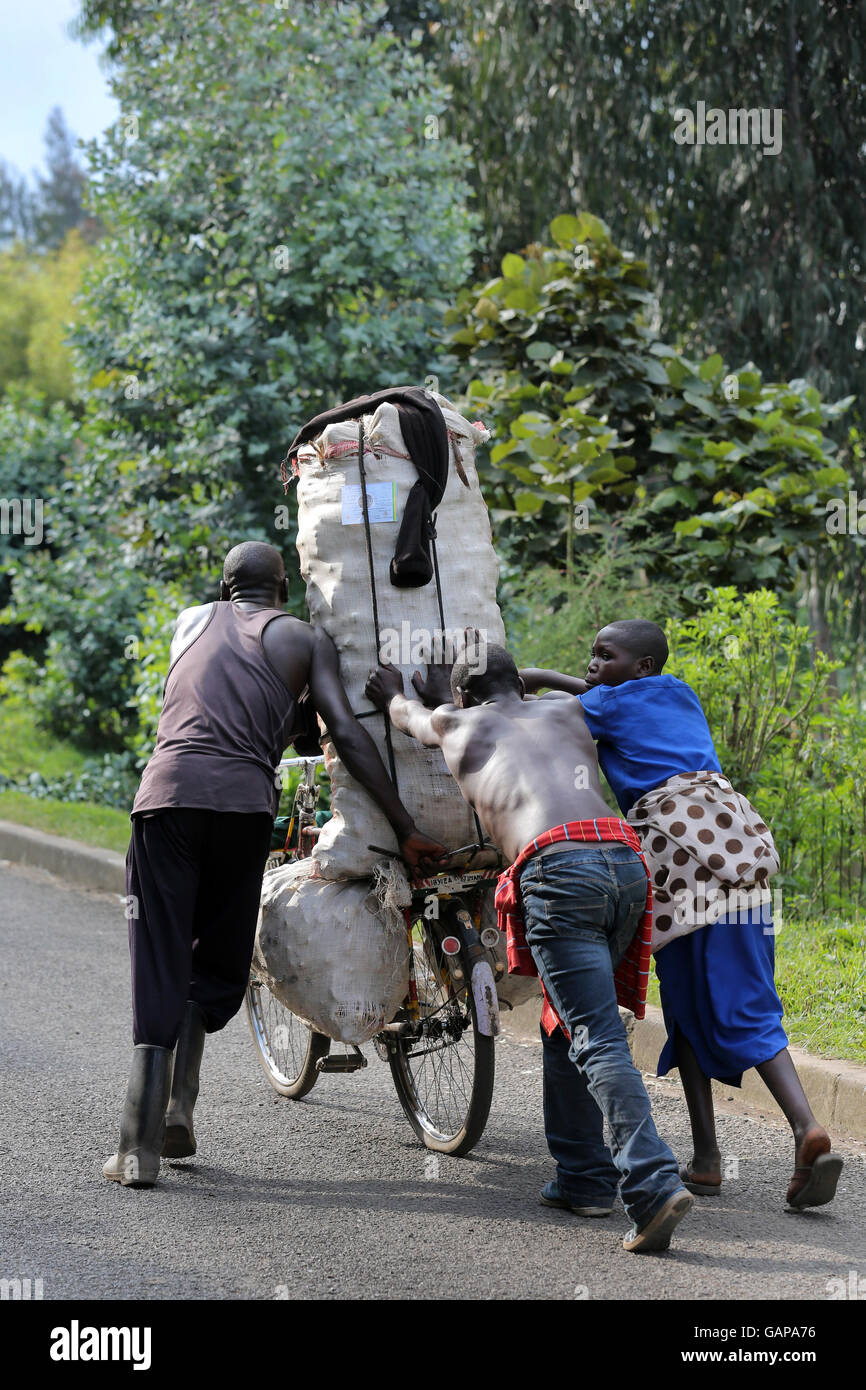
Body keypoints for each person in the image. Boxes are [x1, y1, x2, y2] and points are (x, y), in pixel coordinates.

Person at [104, 541, 446, 1189]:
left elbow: (217, 696)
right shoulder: (303, 638)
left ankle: (138, 1147)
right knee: (218, 958)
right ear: (283, 589)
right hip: (242, 811)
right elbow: (341, 731)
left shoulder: (189, 622)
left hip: (168, 799)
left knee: (161, 954)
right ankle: (176, 1107)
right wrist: (404, 826)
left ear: (225, 585)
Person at [366, 642, 694, 1253]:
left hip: (558, 868)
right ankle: (586, 1179)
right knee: (567, 1021)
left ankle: (651, 1184)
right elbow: (554, 692)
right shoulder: (567, 712)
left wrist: (391, 690)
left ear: (462, 698)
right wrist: (512, 678)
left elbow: (404, 715)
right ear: (519, 682)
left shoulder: (454, 722)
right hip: (624, 859)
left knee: (592, 1032)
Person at [520, 620, 842, 1210]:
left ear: (642, 667)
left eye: (606, 655)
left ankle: (769, 1139)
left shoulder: (604, 709)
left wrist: (529, 679)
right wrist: (571, 680)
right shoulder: (678, 692)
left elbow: (552, 717)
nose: (593, 665)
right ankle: (738, 1149)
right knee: (718, 999)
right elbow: (597, 692)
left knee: (712, 1001)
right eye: (590, 655)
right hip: (736, 842)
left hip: (678, 854)